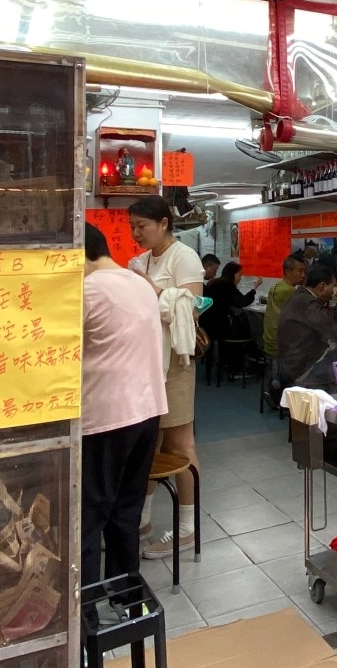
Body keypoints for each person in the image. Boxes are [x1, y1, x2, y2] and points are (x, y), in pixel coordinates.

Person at [79, 222, 167, 588]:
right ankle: (125, 592)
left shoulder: (86, 290)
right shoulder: (139, 282)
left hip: (105, 418)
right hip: (147, 414)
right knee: (126, 509)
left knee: (89, 515)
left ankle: (86, 611)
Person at [127, 194, 205, 559]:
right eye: (132, 227)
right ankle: (141, 520)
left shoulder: (183, 257)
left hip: (175, 362)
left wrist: (152, 289)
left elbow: (192, 307)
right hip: (145, 362)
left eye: (142, 226)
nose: (136, 234)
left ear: (163, 223)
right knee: (148, 444)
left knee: (180, 443)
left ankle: (188, 528)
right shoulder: (139, 260)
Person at [276, 258, 337, 386]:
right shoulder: (306, 302)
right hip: (302, 368)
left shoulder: (300, 297)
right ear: (322, 286)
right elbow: (332, 324)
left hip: (293, 362)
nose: (334, 290)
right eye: (333, 286)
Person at [260, 253, 306, 361]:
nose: (303, 275)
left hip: (270, 342)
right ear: (288, 272)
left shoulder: (276, 286)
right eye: (300, 271)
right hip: (280, 346)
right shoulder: (288, 291)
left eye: (304, 271)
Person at [201, 260, 253, 341]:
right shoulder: (228, 286)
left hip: (205, 321)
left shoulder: (215, 282)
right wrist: (254, 289)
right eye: (240, 275)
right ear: (234, 275)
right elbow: (242, 302)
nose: (240, 278)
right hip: (216, 323)